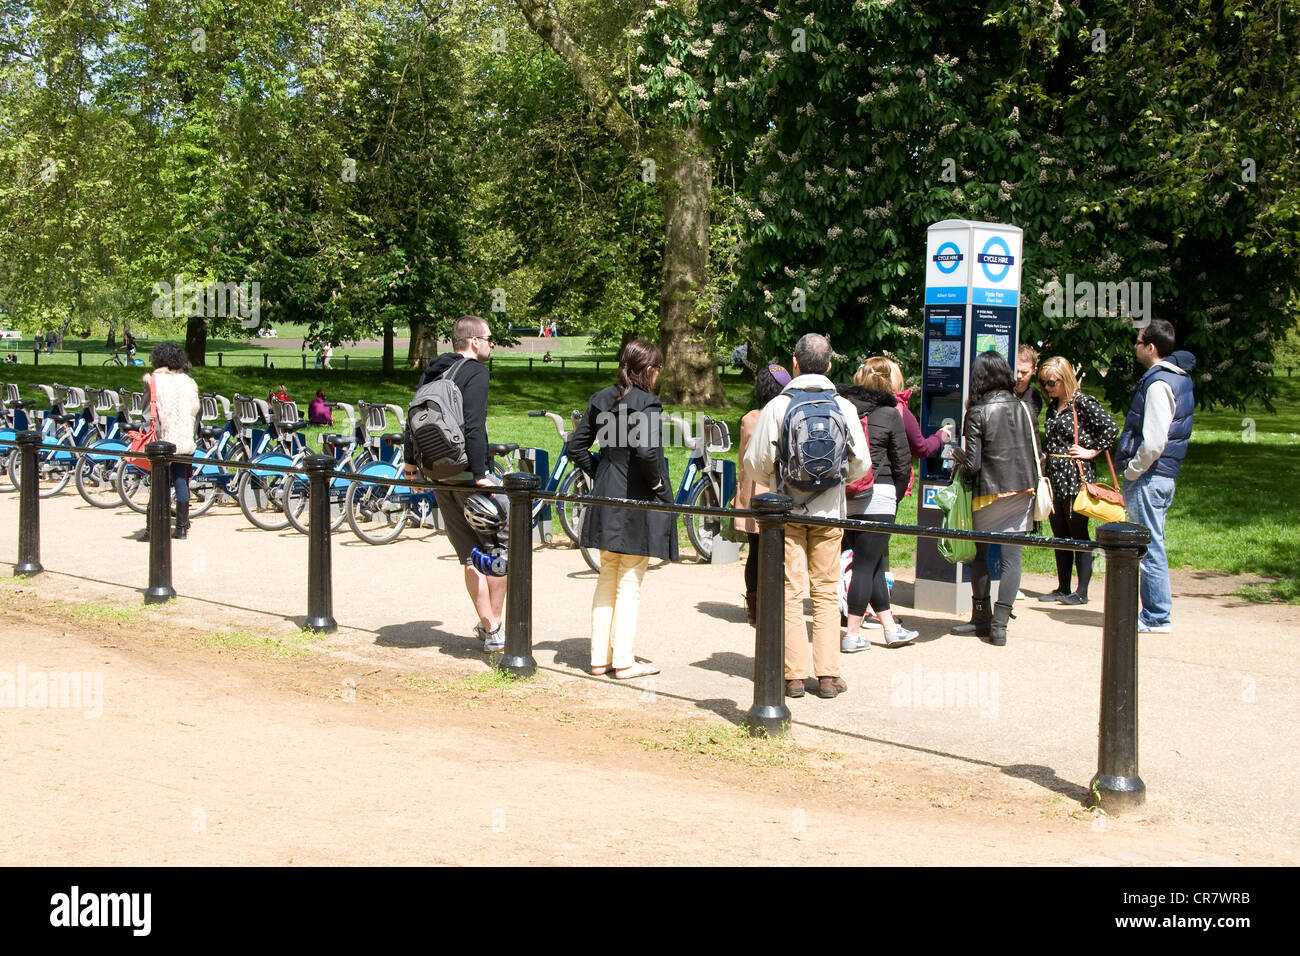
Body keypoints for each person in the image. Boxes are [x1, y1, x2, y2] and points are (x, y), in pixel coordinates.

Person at [743, 333, 870, 700]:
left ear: (794, 363)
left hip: (787, 512)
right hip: (829, 513)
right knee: (827, 593)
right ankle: (828, 675)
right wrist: (834, 481)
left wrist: (777, 481)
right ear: (830, 366)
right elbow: (861, 462)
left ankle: (793, 676)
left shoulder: (778, 407)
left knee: (790, 591)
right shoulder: (843, 407)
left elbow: (754, 463)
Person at [566, 340, 677, 680]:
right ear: (649, 370)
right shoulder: (648, 404)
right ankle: (624, 661)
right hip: (635, 497)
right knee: (629, 581)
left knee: (607, 574)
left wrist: (599, 467)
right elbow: (646, 452)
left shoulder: (602, 398)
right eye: (657, 369)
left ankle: (600, 657)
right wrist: (657, 483)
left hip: (606, 490)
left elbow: (575, 445)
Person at [402, 315, 505, 651]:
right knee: (498, 548)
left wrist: (410, 466)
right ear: (474, 341)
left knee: (468, 554)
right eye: (490, 338)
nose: (492, 344)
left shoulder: (433, 370)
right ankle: (496, 626)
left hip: (436, 472)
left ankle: (487, 625)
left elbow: (411, 419)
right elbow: (474, 426)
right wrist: (480, 474)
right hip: (466, 473)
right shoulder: (475, 373)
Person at [950, 351, 1038, 646]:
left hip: (988, 493)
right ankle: (1000, 626)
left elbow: (973, 465)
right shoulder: (1023, 407)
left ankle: (981, 618)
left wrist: (957, 458)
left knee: (979, 557)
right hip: (1023, 488)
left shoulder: (976, 411)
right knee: (1013, 560)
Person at [1115, 319, 1196, 634]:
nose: (1135, 347)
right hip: (1163, 476)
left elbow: (1154, 441)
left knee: (1148, 547)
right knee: (1152, 543)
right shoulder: (1178, 378)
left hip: (1149, 477)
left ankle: (1156, 616)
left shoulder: (1159, 383)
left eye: (1138, 342)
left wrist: (1134, 470)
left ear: (1151, 347)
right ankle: (1155, 613)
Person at [838, 357, 918, 650]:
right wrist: (894, 496)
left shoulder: (844, 410)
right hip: (879, 495)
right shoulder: (889, 414)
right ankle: (852, 634)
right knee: (864, 566)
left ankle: (890, 628)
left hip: (848, 496)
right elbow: (902, 463)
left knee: (870, 566)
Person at [1036, 355, 1118, 605]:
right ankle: (1063, 586)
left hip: (1075, 475)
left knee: (1078, 532)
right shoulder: (1053, 406)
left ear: (1065, 379)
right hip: (1055, 475)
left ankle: (1081, 591)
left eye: (1051, 383)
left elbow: (1111, 428)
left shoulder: (1082, 402)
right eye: (1044, 384)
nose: (1047, 389)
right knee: (1059, 533)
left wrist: (1090, 450)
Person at [735, 362, 792, 626]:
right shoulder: (787, 415)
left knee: (754, 551)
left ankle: (754, 607)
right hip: (776, 491)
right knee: (779, 552)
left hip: (751, 492)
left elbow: (741, 460)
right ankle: (774, 606)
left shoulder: (749, 418)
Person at [142, 342, 200, 540]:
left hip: (162, 439)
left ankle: (152, 528)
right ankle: (182, 527)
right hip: (184, 439)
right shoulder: (189, 382)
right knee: (180, 479)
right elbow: (195, 411)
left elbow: (147, 413)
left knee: (158, 483)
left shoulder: (153, 380)